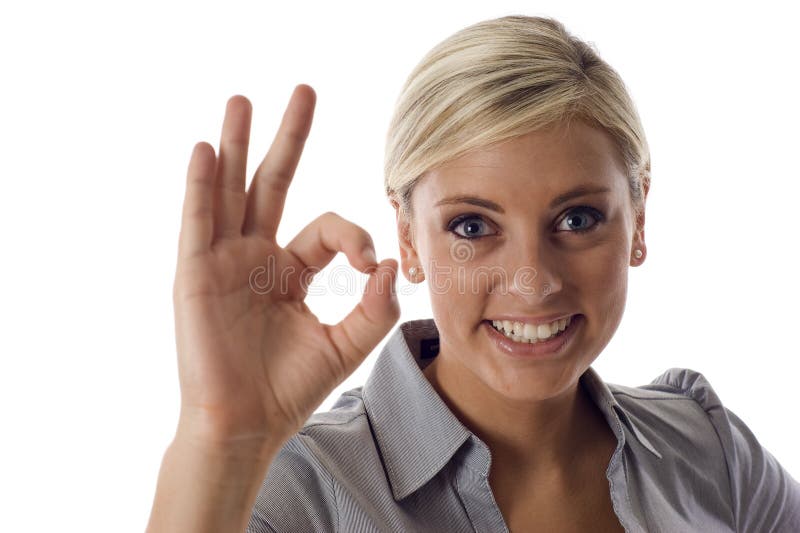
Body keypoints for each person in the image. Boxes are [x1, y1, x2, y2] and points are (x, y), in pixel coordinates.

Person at [146, 15, 800, 532]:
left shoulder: (707, 451)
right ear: (408, 236)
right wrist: (219, 441)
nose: (532, 280)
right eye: (471, 226)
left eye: (577, 219)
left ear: (639, 218)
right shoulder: (299, 496)